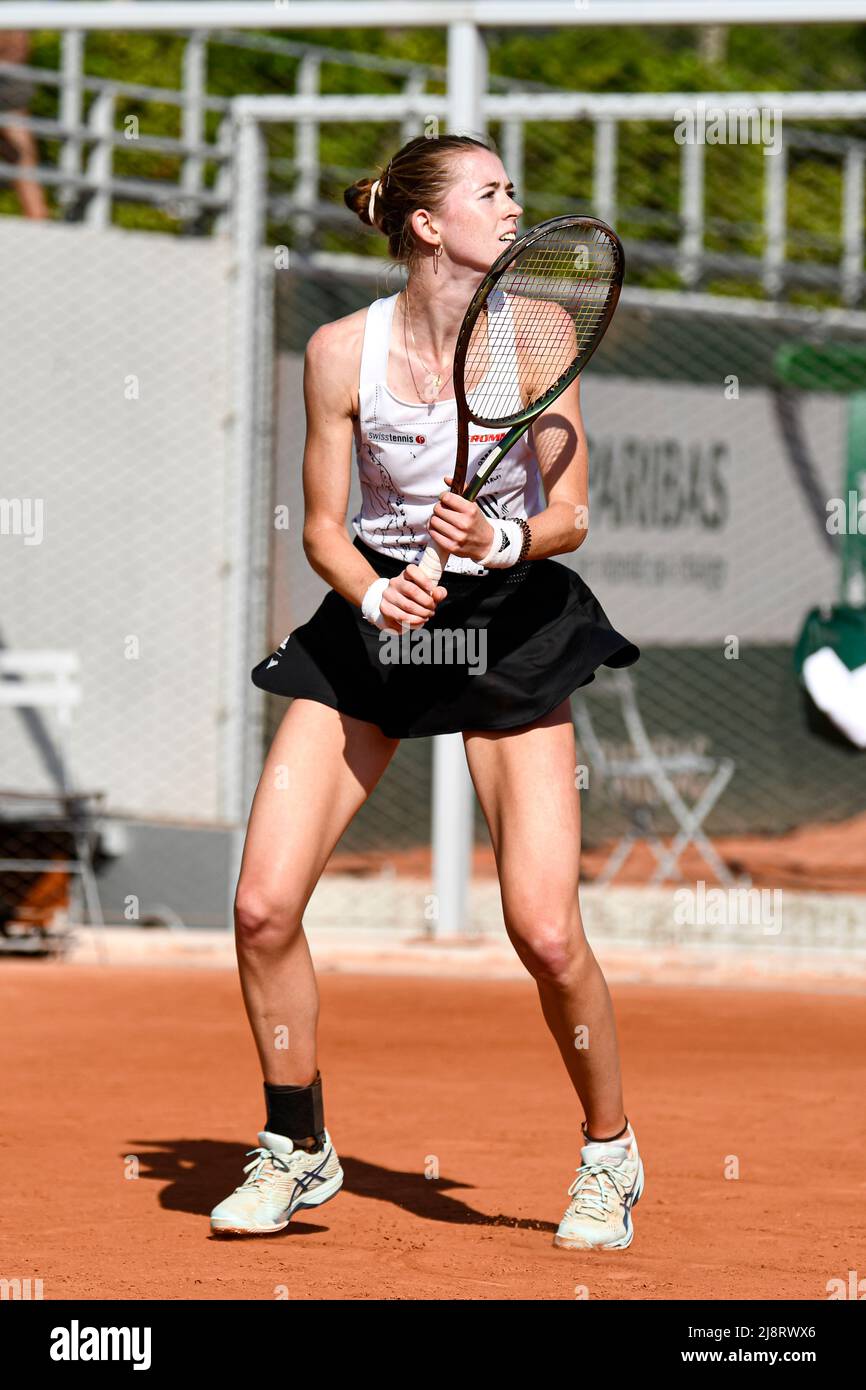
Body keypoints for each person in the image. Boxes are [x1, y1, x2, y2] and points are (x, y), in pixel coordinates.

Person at [210, 134, 645, 1251]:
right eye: (489, 193)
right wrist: (369, 593)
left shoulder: (536, 334)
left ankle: (608, 1153)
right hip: (380, 625)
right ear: (425, 223)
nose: (512, 208)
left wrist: (500, 535)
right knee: (262, 907)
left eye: (509, 191)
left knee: (543, 930)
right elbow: (319, 526)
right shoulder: (335, 352)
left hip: (508, 625)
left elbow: (572, 512)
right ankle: (295, 1147)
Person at [0, 31, 50, 220]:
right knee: (22, 159)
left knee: (22, 158)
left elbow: (18, 48)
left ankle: (37, 216)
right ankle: (37, 215)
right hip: (13, 83)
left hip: (10, 86)